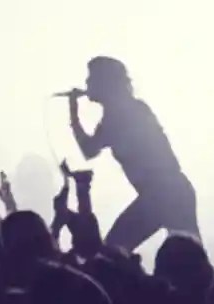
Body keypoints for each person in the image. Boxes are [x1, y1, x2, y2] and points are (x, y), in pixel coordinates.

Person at [66, 56, 199, 251]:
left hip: (161, 194)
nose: (87, 83)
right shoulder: (124, 111)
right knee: (191, 255)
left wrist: (73, 113)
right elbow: (90, 149)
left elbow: (89, 150)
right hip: (171, 192)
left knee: (113, 250)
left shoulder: (120, 115)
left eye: (91, 78)